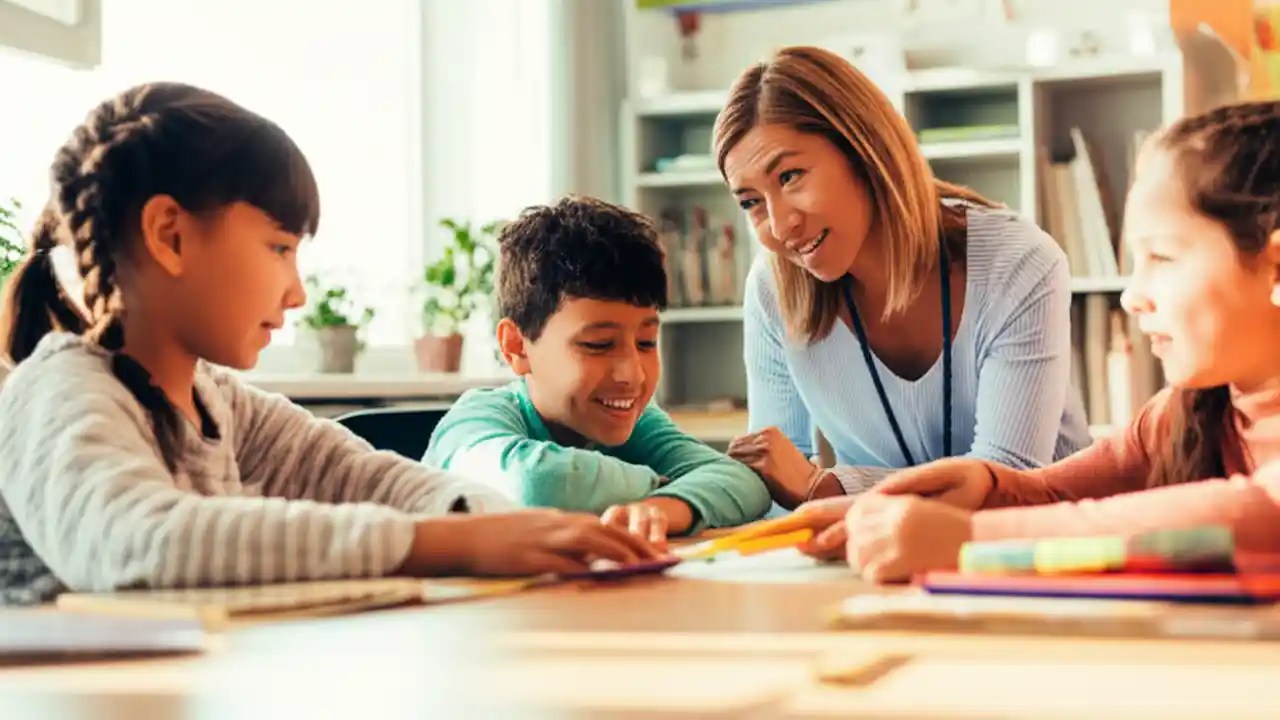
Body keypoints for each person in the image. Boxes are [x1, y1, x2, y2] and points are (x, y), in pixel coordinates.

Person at [0, 83, 657, 605]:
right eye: (279, 248)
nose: (296, 292)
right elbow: (137, 543)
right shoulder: (58, 392)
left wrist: (511, 530)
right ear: (170, 235)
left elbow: (370, 479)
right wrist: (446, 544)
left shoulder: (221, 403)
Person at [809, 100, 1280, 581]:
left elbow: (1258, 515)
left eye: (1161, 257)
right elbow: (1054, 495)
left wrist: (967, 540)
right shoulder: (1184, 415)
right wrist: (952, 496)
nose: (1132, 297)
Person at [716, 45, 1090, 509]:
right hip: (870, 555)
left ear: (863, 150)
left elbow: (1007, 482)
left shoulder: (1018, 263)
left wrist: (828, 488)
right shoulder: (772, 291)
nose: (778, 224)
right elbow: (773, 489)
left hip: (1031, 552)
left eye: (791, 176)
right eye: (751, 201)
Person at [425, 196, 771, 546]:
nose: (632, 375)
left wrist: (664, 507)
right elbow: (534, 483)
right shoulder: (473, 421)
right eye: (599, 345)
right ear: (516, 346)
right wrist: (662, 483)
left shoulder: (634, 421)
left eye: (647, 342)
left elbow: (743, 481)